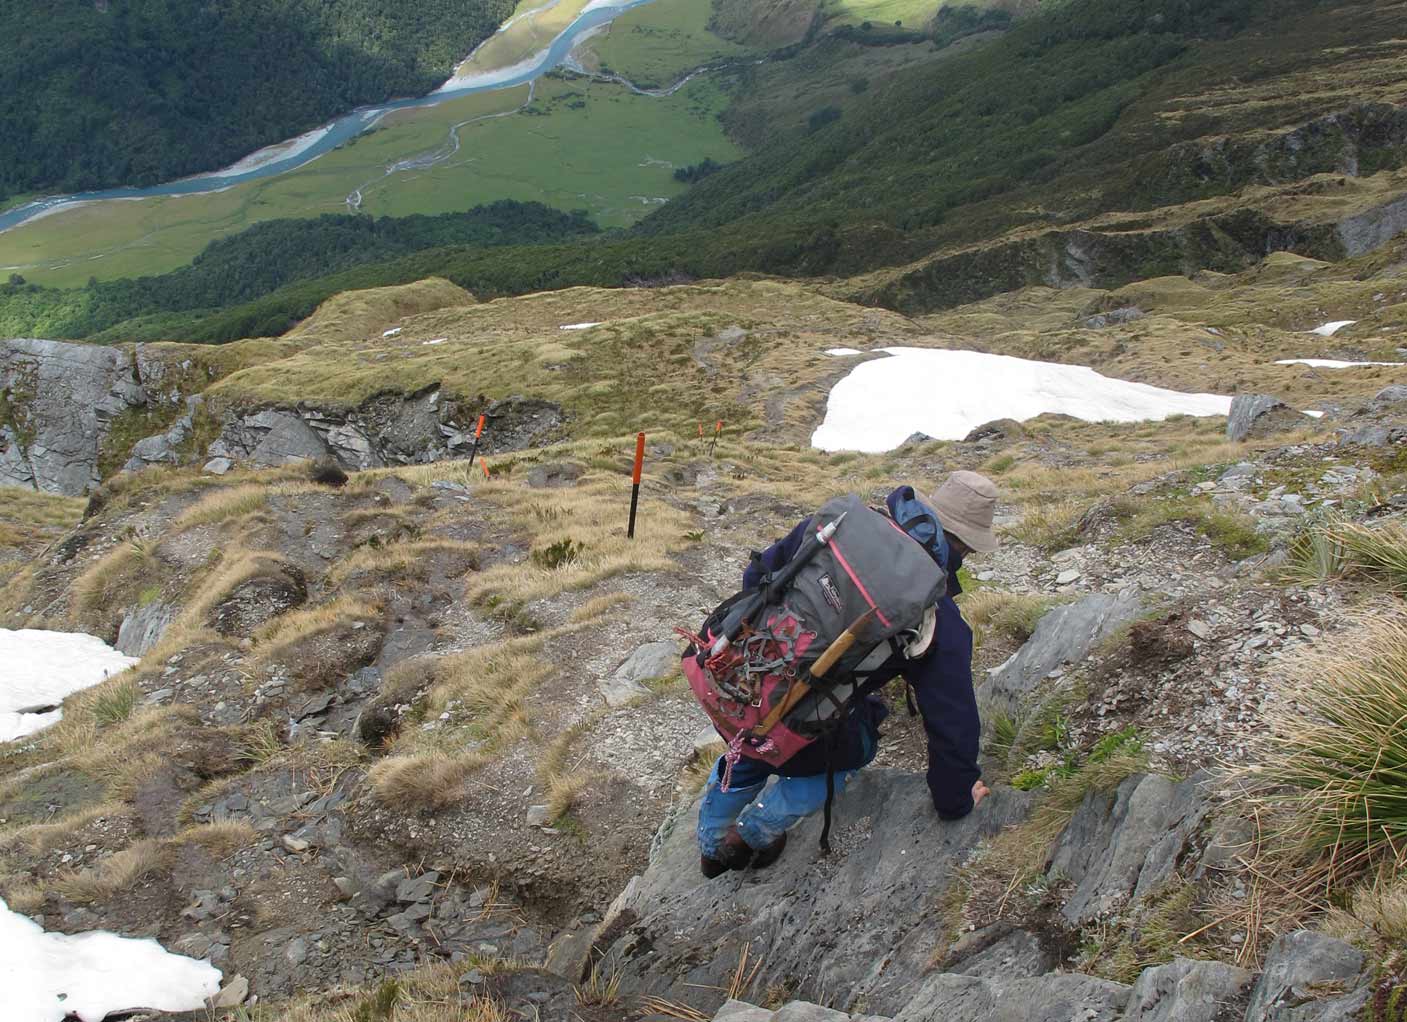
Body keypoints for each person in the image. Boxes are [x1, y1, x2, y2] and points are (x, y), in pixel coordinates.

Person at [697, 470, 1000, 878]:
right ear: (963, 547)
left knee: (755, 739)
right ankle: (755, 832)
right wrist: (957, 799)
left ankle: (711, 841)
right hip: (796, 725)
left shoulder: (840, 525)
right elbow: (952, 721)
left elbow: (757, 579)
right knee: (858, 741)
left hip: (731, 676)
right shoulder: (935, 616)